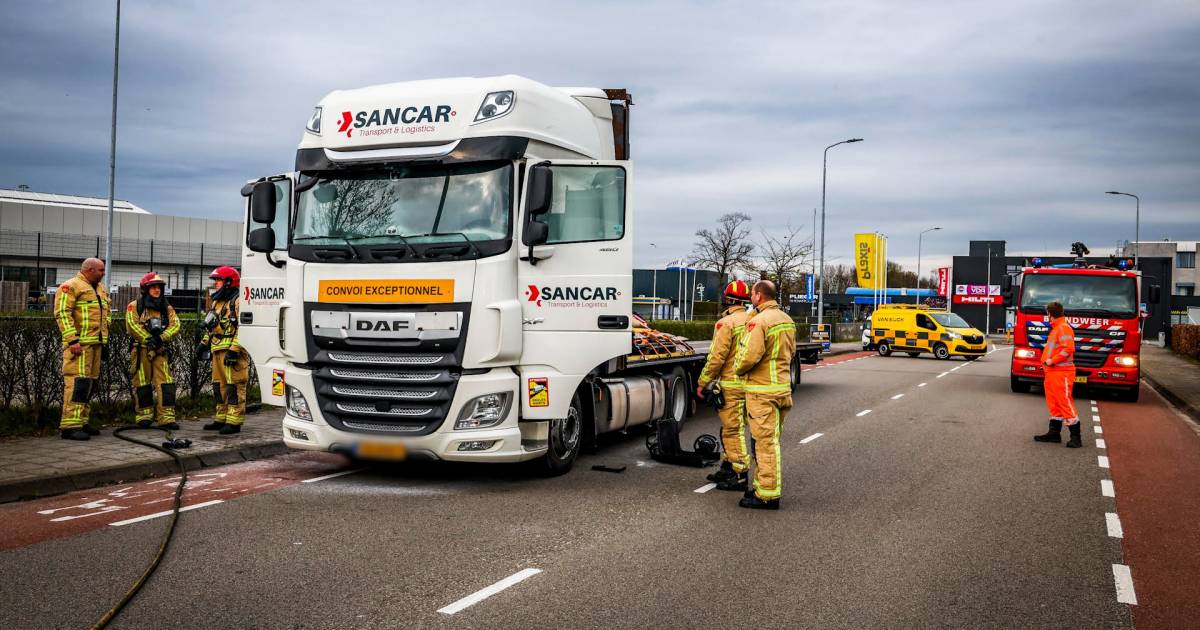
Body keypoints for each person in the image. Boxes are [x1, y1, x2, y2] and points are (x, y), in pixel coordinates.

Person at [732, 280, 796, 509]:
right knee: (771, 442)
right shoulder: (786, 319)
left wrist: (736, 368)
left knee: (764, 444)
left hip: (761, 392)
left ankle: (767, 495)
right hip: (781, 389)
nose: (750, 298)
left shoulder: (759, 322)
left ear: (759, 296)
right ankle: (761, 486)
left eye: (752, 294)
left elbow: (749, 356)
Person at [696, 280, 754, 490]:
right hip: (749, 384)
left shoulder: (726, 323)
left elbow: (717, 357)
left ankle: (738, 475)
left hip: (731, 384)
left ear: (727, 299)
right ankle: (727, 467)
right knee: (732, 428)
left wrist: (703, 381)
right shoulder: (753, 320)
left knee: (732, 430)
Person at [54, 258, 111, 441]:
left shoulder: (100, 289)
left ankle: (82, 421)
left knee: (90, 384)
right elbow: (62, 313)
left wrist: (104, 341)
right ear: (89, 269)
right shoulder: (70, 286)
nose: (103, 273)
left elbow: (106, 315)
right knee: (76, 384)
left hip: (96, 345)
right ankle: (70, 426)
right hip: (79, 346)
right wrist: (72, 340)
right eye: (101, 270)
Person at [126, 272, 181, 430]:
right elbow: (132, 325)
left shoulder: (167, 307)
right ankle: (144, 416)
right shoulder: (134, 306)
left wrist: (162, 338)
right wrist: (148, 339)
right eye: (153, 287)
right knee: (142, 383)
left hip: (160, 351)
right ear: (145, 289)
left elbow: (175, 325)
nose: (157, 290)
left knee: (165, 383)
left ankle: (167, 418)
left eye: (159, 287)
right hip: (141, 350)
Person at [199, 266, 248, 435]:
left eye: (218, 280)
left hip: (232, 353)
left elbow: (244, 327)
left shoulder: (239, 301)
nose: (215, 284)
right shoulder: (216, 302)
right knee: (218, 386)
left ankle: (234, 421)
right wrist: (203, 343)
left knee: (234, 386)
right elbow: (211, 326)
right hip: (217, 351)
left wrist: (234, 349)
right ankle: (221, 417)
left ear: (228, 282)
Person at [1034, 300, 1081, 448]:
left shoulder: (1063, 328)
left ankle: (1076, 438)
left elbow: (1068, 349)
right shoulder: (1057, 328)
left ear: (1049, 313)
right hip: (1053, 372)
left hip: (1061, 372)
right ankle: (1054, 434)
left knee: (1065, 403)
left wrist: (1051, 361)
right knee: (1054, 403)